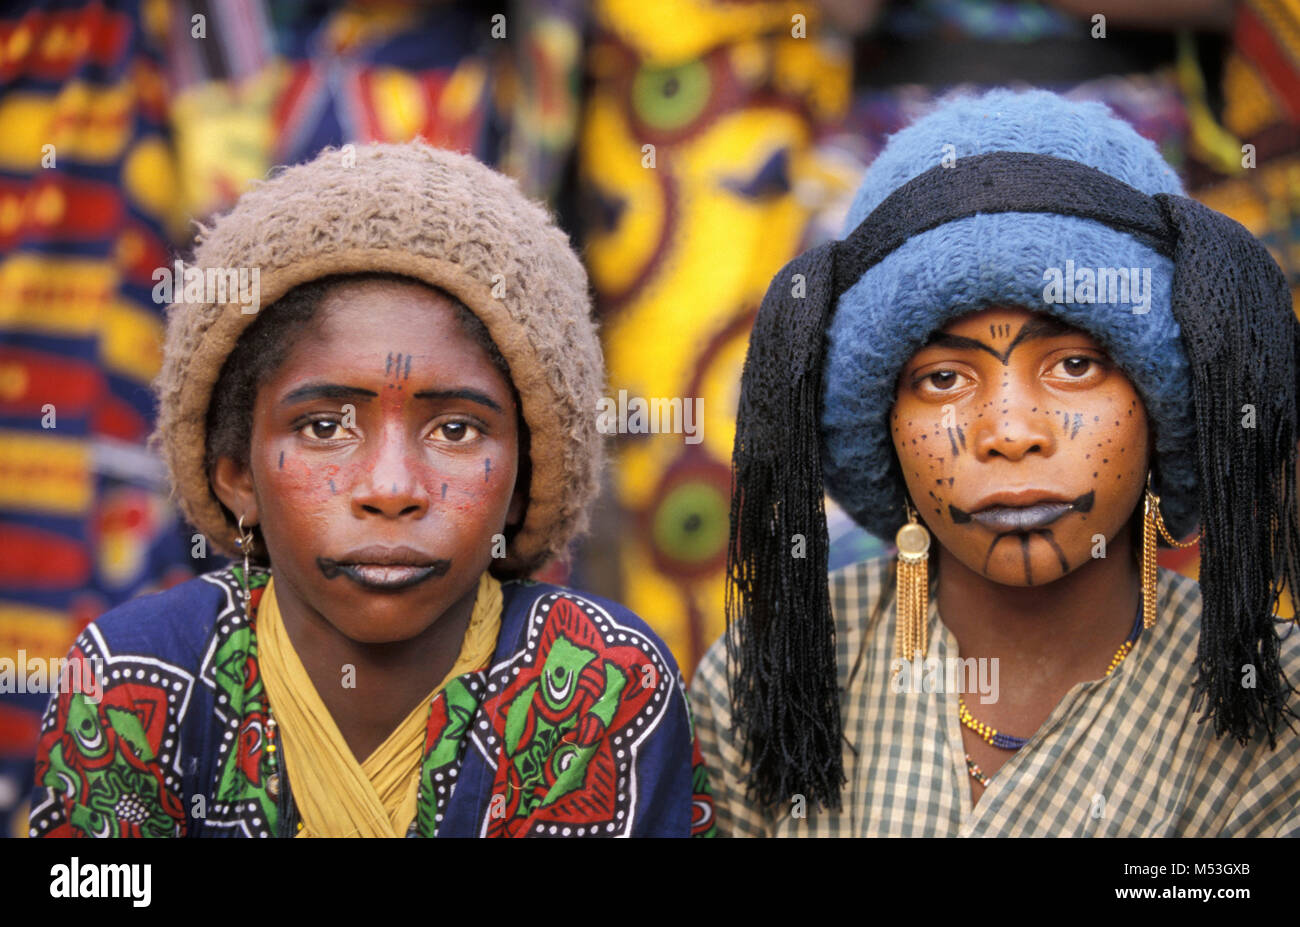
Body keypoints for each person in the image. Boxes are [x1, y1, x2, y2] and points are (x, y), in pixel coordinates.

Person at [29, 142, 715, 838]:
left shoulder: (597, 684)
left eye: (455, 430)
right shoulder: (131, 683)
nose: (391, 488)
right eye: (325, 425)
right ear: (237, 476)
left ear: (521, 481)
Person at [692, 88, 1300, 836]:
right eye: (943, 378)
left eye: (1075, 364)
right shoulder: (764, 677)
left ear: (1163, 402)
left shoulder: (1280, 703)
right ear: (879, 425)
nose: (1010, 432)